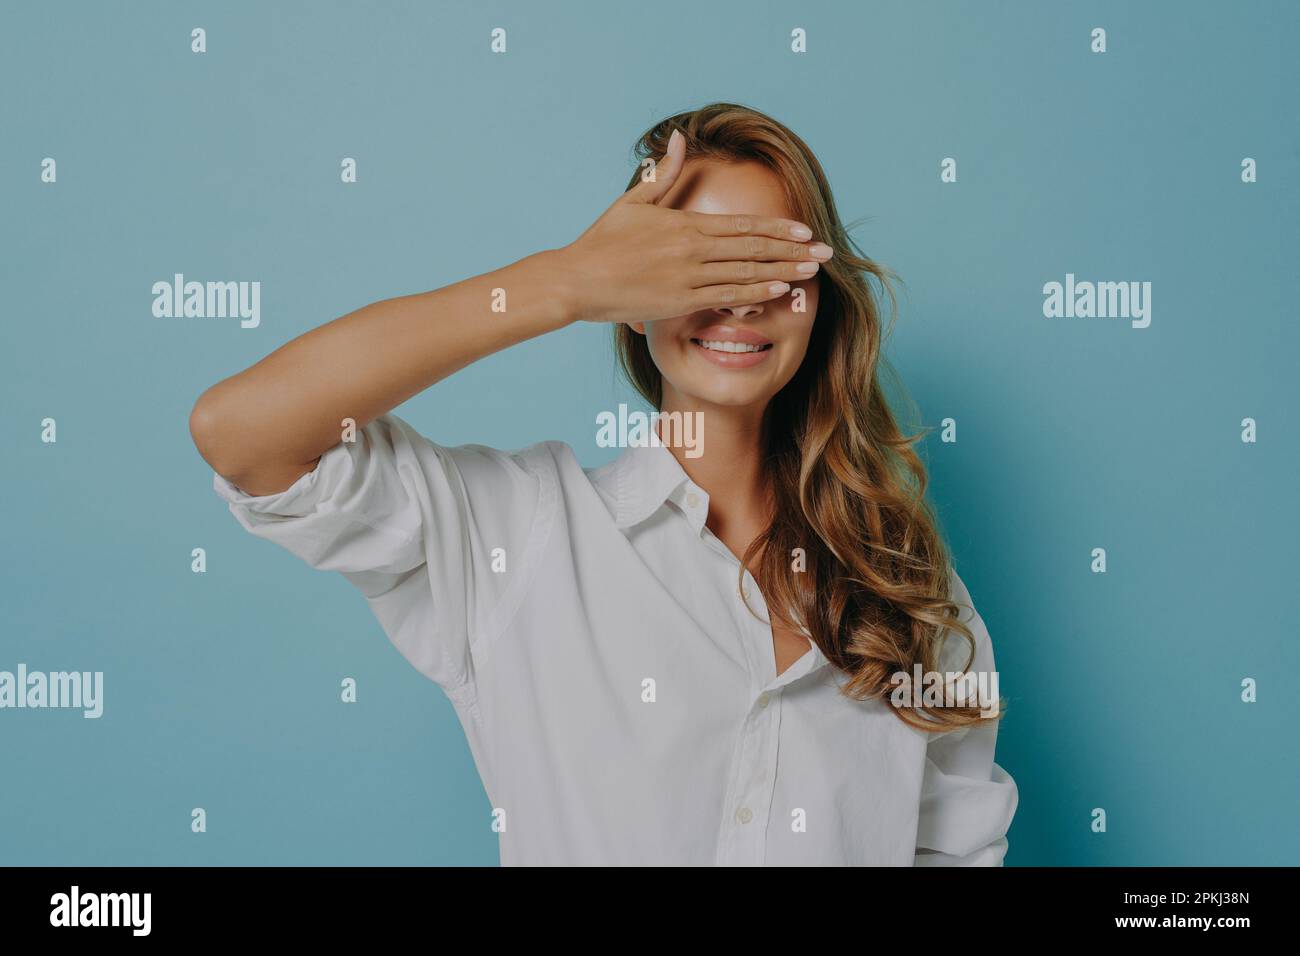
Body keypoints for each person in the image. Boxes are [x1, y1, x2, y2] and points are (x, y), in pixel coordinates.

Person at [190, 102, 1018, 866]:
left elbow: (957, 850)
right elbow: (243, 433)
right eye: (695, 264)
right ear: (633, 299)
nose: (739, 300)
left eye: (772, 262)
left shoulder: (910, 591)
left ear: (819, 302)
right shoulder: (513, 535)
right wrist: (566, 283)